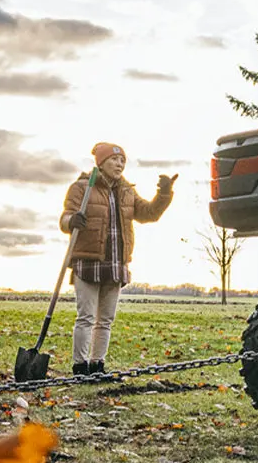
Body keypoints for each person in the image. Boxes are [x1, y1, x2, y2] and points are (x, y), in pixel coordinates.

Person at [59, 143, 176, 377]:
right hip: (88, 262)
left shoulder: (127, 191)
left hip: (115, 263)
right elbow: (64, 219)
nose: (120, 164)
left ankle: (97, 365)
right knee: (86, 317)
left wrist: (164, 194)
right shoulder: (81, 187)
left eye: (122, 161)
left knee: (105, 320)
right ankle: (80, 367)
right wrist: (72, 221)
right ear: (101, 163)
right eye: (114, 160)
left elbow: (149, 213)